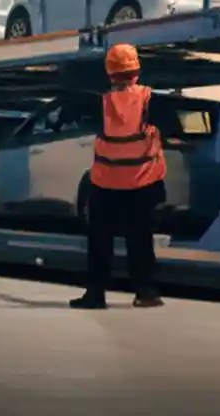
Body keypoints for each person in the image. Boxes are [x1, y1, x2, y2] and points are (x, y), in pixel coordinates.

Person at [70, 43, 167, 310]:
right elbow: (165, 132)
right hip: (143, 181)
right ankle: (145, 292)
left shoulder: (99, 103)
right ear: (136, 70)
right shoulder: (150, 99)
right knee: (140, 239)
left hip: (105, 182)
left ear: (109, 72)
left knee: (100, 240)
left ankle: (96, 294)